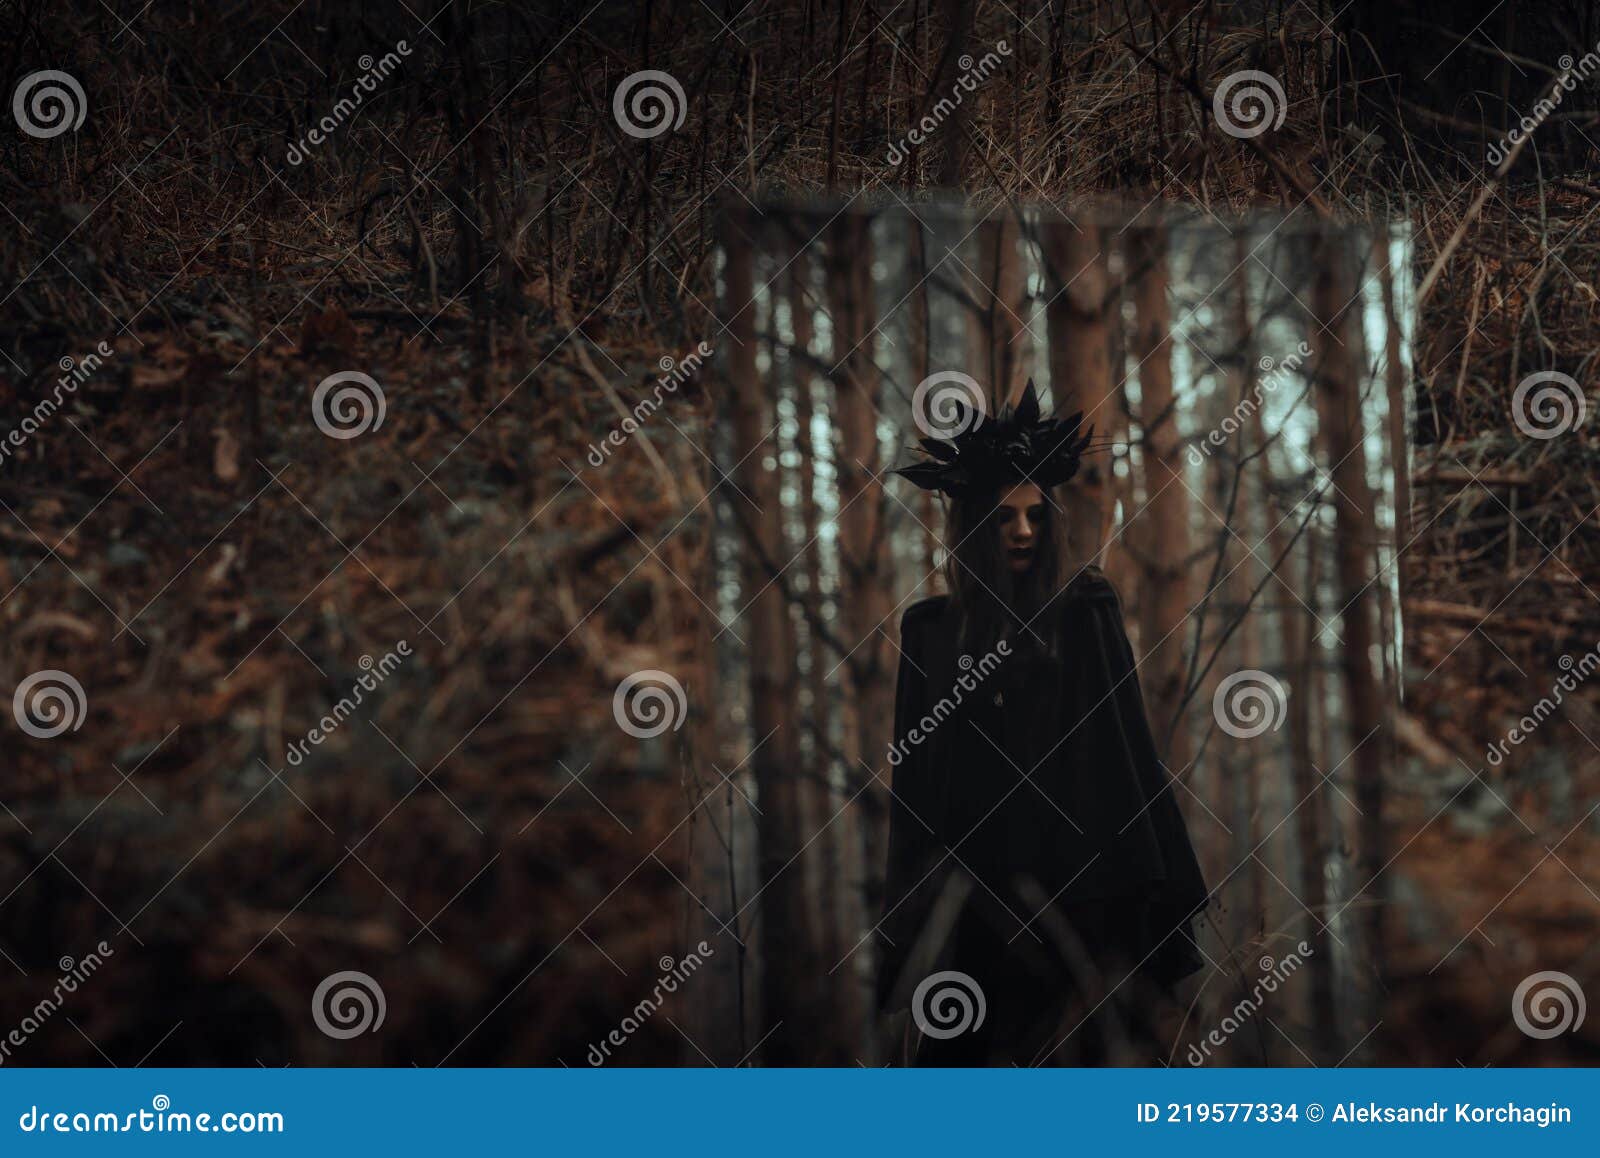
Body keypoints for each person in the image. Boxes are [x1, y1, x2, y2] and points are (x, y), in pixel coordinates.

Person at [877, 380, 1209, 1066]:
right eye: (1003, 518)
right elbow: (917, 793)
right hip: (976, 911)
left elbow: (1125, 759)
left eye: (1034, 515)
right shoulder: (931, 634)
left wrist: (1139, 900)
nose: (1023, 531)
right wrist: (912, 926)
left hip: (1081, 900)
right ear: (973, 528)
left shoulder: (1085, 613)